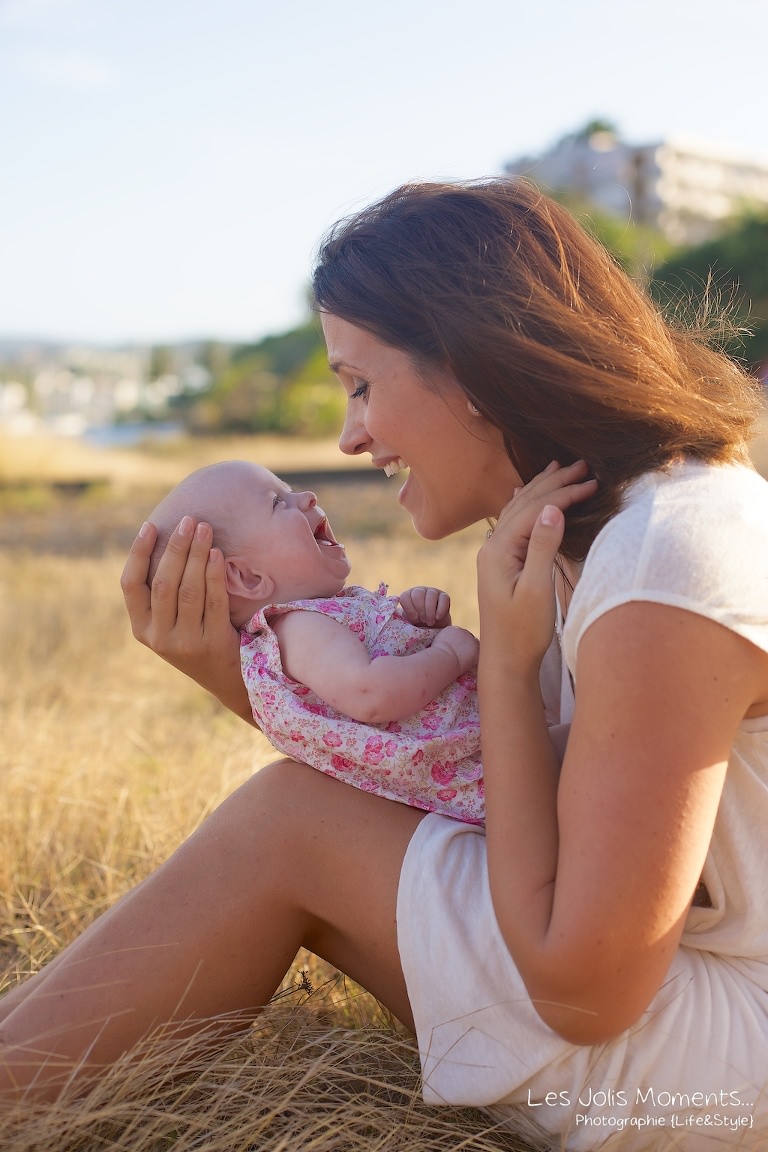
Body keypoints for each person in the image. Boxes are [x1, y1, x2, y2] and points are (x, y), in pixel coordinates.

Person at [1, 177, 767, 1152]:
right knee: (298, 821)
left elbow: (586, 990)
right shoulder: (597, 534)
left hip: (729, 1071)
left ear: (475, 362)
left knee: (291, 825)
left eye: (361, 383)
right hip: (689, 1016)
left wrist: (501, 660)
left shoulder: (669, 550)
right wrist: (231, 670)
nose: (349, 435)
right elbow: (462, 788)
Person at [147, 459, 485, 823]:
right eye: (278, 502)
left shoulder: (314, 622)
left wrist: (422, 628)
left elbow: (403, 703)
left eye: (290, 489)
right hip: (479, 775)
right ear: (246, 577)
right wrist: (448, 654)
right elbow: (371, 694)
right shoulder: (298, 630)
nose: (307, 497)